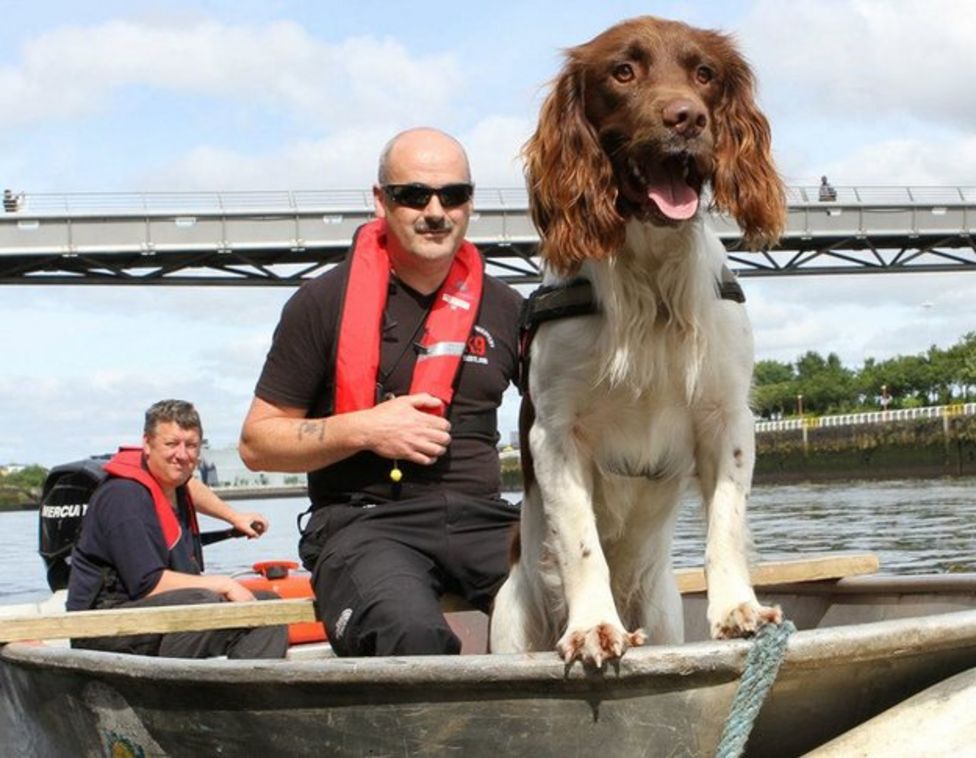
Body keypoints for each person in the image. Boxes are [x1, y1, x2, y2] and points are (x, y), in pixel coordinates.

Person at [239, 127, 523, 657]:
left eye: (453, 195)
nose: (435, 211)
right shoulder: (320, 302)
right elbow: (258, 444)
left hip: (485, 519)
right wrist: (367, 427)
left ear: (470, 203)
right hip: (366, 523)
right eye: (413, 195)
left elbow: (574, 409)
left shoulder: (507, 307)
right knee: (409, 633)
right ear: (380, 200)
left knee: (585, 607)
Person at [67, 399, 288, 659]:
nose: (182, 454)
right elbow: (148, 584)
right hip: (104, 625)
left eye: (191, 446)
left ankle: (251, 691)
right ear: (147, 444)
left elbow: (190, 486)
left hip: (152, 616)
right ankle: (178, 694)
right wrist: (224, 584)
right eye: (171, 444)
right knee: (204, 602)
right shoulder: (123, 498)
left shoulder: (171, 484)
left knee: (267, 607)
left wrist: (234, 517)